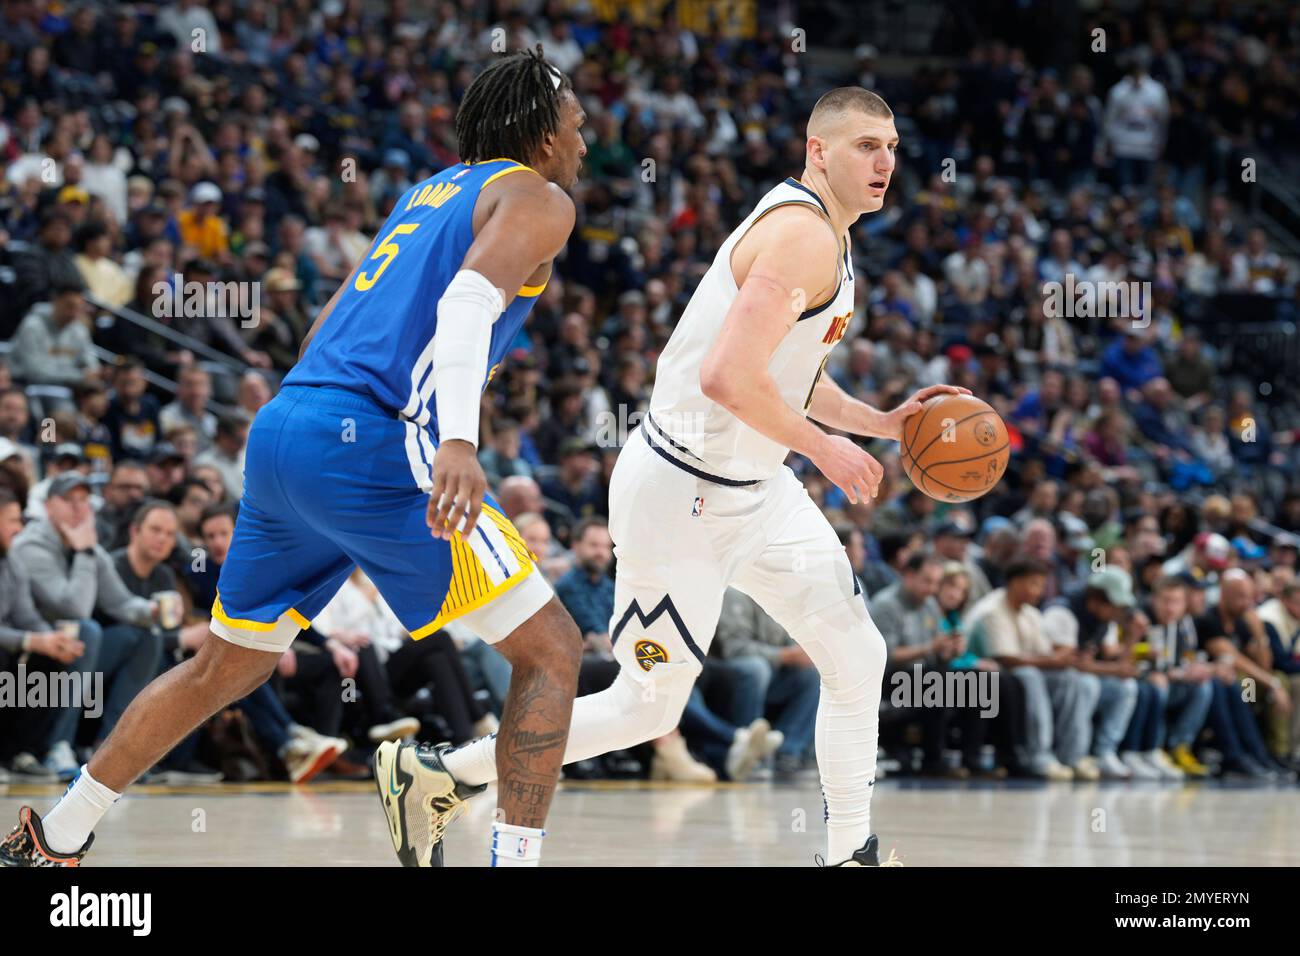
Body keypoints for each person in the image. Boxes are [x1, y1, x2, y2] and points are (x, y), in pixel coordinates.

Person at [3, 48, 587, 869]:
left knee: (222, 666)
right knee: (553, 649)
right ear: (542, 131)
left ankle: (56, 834)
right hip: (372, 442)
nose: (584, 141)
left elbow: (324, 325)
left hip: (287, 426)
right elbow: (465, 303)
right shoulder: (537, 196)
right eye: (577, 125)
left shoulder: (426, 194)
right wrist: (458, 438)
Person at [421, 86, 968, 867]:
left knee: (857, 656)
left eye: (891, 148)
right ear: (818, 151)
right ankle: (447, 772)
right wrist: (825, 449)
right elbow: (726, 376)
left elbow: (791, 374)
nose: (884, 162)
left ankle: (852, 854)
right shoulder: (801, 236)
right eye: (864, 146)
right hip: (682, 494)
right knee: (644, 709)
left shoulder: (830, 236)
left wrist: (879, 423)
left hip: (759, 493)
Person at [8, 472, 162, 779]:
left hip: (74, 655)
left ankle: (111, 748)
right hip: (30, 661)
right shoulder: (30, 546)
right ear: (48, 506)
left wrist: (152, 610)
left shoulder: (87, 546)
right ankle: (58, 747)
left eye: (84, 500)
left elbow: (121, 603)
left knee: (146, 636)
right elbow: (73, 608)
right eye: (69, 500)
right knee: (86, 630)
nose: (79, 508)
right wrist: (83, 552)